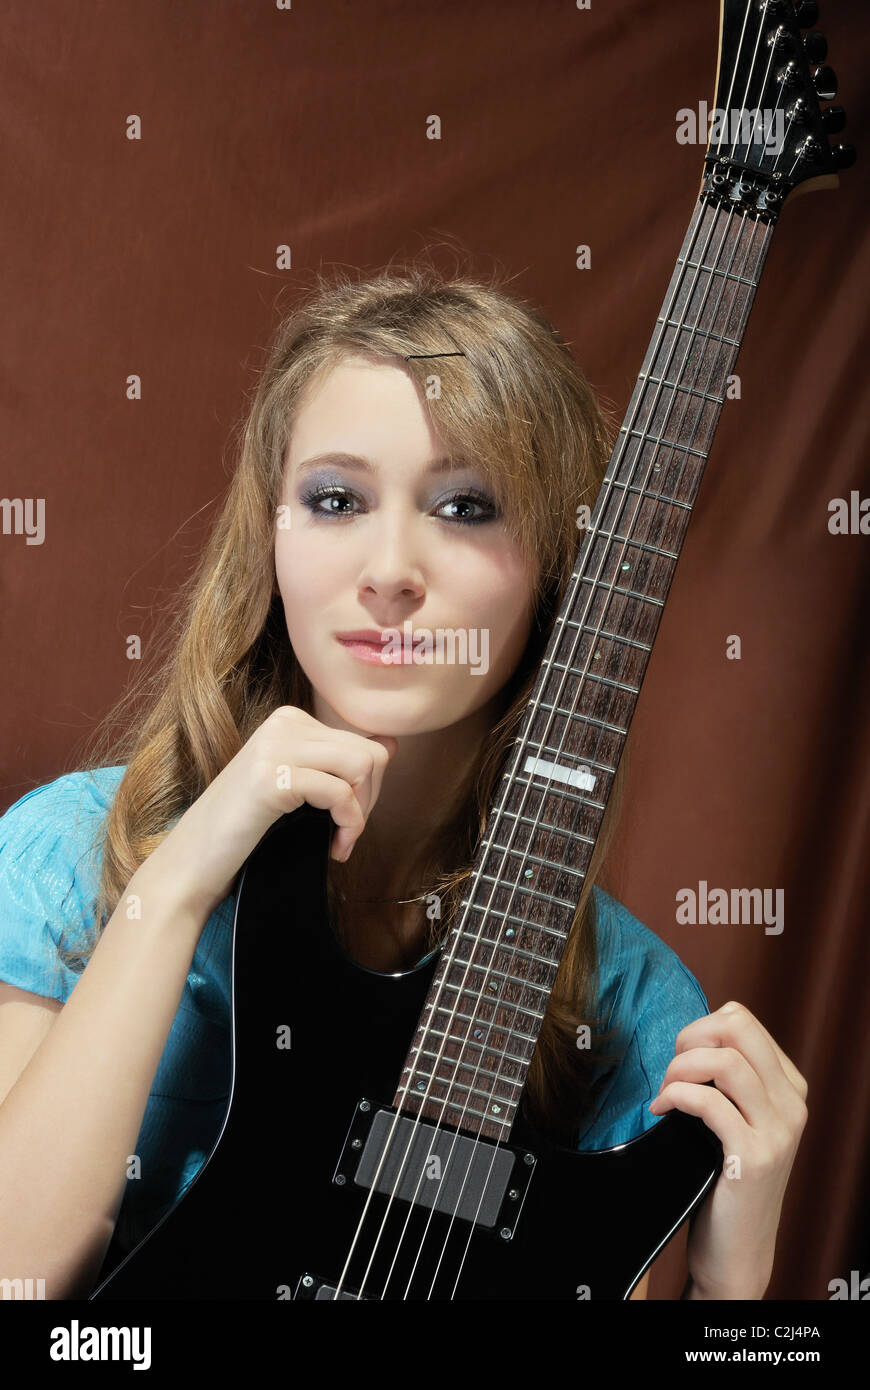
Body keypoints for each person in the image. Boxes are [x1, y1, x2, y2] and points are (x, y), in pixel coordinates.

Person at [0, 261, 807, 1301]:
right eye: (335, 499)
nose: (390, 568)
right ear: (272, 540)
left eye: (467, 506)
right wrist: (182, 879)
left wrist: (734, 1290)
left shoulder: (632, 1008)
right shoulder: (70, 855)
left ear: (563, 566)